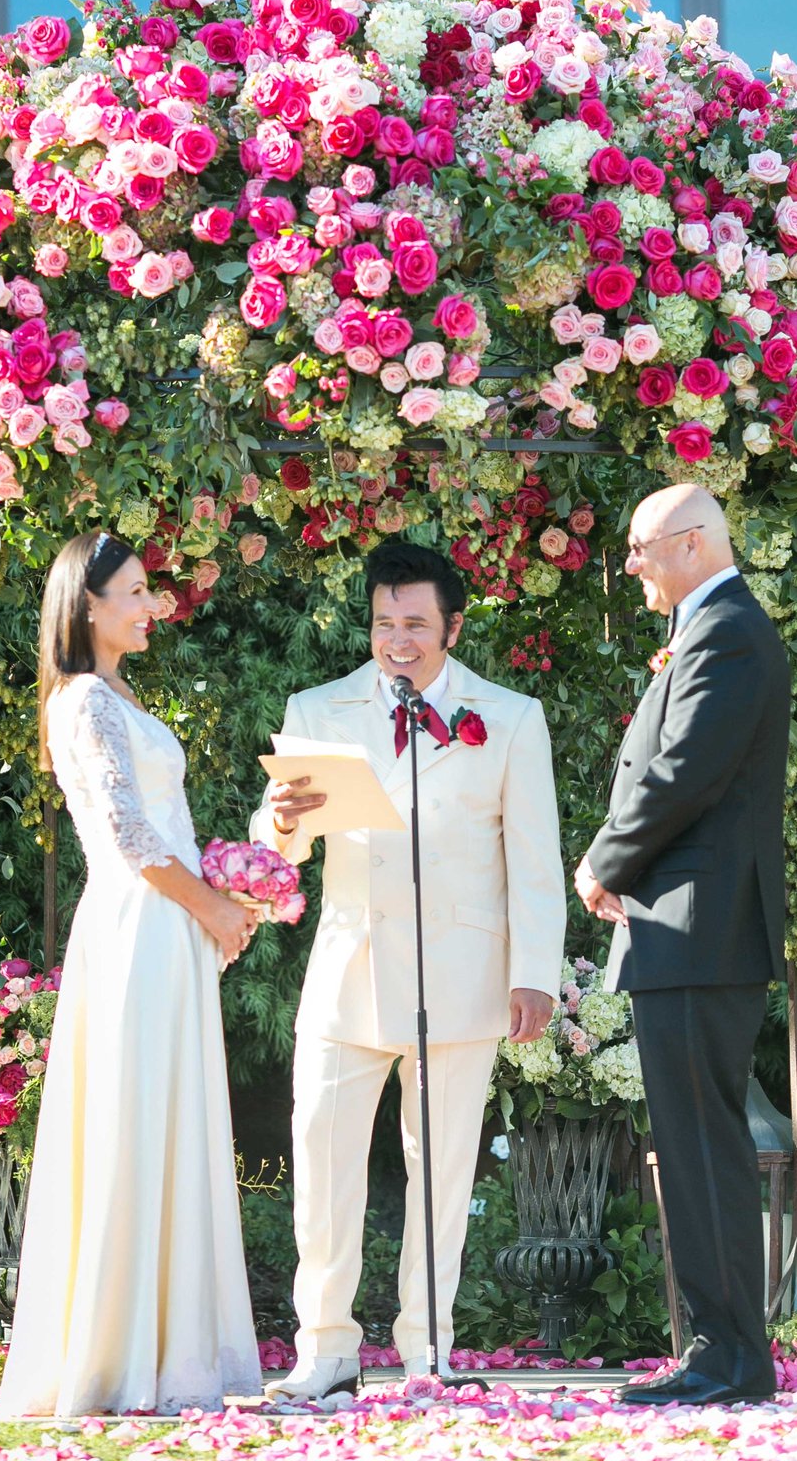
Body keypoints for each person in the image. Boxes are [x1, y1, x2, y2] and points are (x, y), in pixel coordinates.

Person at [253, 541, 567, 1404]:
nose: (399, 639)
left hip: (462, 981)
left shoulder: (507, 717)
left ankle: (429, 1348)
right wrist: (279, 821)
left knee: (442, 1173)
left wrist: (534, 969)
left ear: (452, 627)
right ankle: (325, 1349)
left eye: (416, 624)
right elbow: (278, 850)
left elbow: (536, 859)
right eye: (385, 622)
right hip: (348, 973)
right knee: (322, 1167)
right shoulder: (319, 708)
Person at [0, 530, 262, 1417]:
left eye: (152, 591)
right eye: (139, 591)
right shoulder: (85, 702)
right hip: (142, 922)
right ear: (90, 604)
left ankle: (168, 1343)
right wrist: (213, 907)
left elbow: (164, 827)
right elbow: (130, 837)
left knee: (170, 1116)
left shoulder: (116, 694)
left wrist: (220, 892)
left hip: (166, 922)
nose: (155, 606)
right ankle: (121, 1353)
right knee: (138, 1115)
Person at [574, 483, 789, 1407]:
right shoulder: (714, 628)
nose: (630, 564)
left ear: (693, 544)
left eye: (640, 547)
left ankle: (730, 1356)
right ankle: (726, 1350)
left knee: (702, 1148)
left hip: (698, 927)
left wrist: (602, 862)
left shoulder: (729, 629)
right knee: (698, 1144)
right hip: (685, 929)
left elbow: (682, 774)